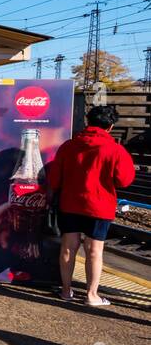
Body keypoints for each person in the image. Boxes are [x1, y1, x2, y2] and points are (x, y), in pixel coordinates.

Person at [50, 104, 136, 306]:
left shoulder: (68, 146)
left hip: (70, 204)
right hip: (99, 207)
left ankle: (66, 291)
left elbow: (55, 179)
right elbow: (124, 180)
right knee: (94, 250)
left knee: (68, 248)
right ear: (110, 126)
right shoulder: (116, 150)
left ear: (87, 121)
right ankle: (91, 295)